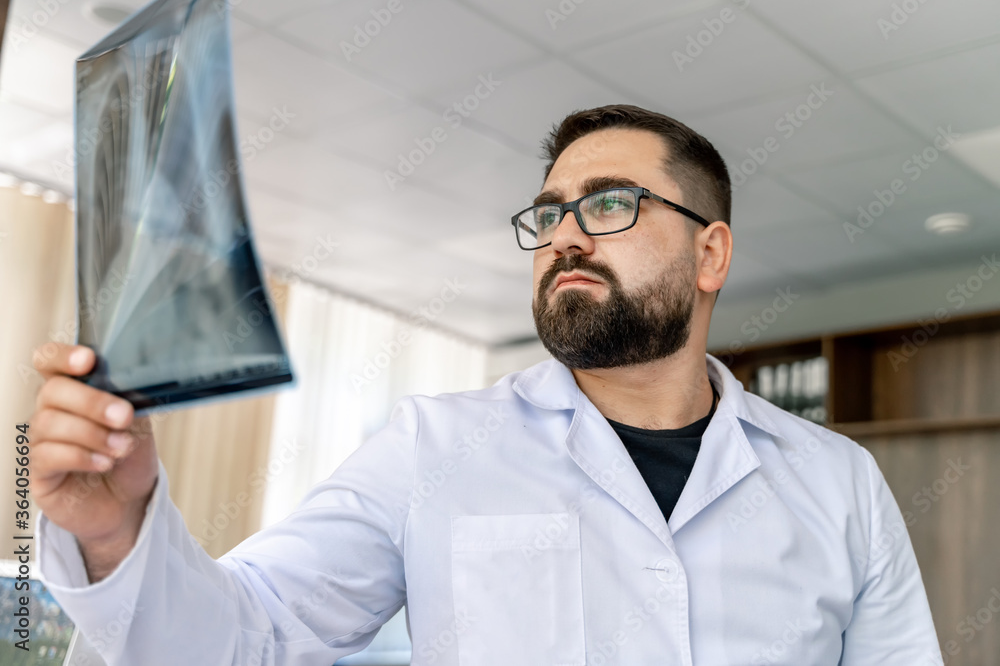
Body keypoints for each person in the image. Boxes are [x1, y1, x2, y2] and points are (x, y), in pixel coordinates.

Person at [30, 104, 943, 665]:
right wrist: (117, 531)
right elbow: (248, 638)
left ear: (711, 252)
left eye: (611, 204)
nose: (567, 235)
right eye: (549, 213)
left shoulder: (837, 481)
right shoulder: (434, 445)